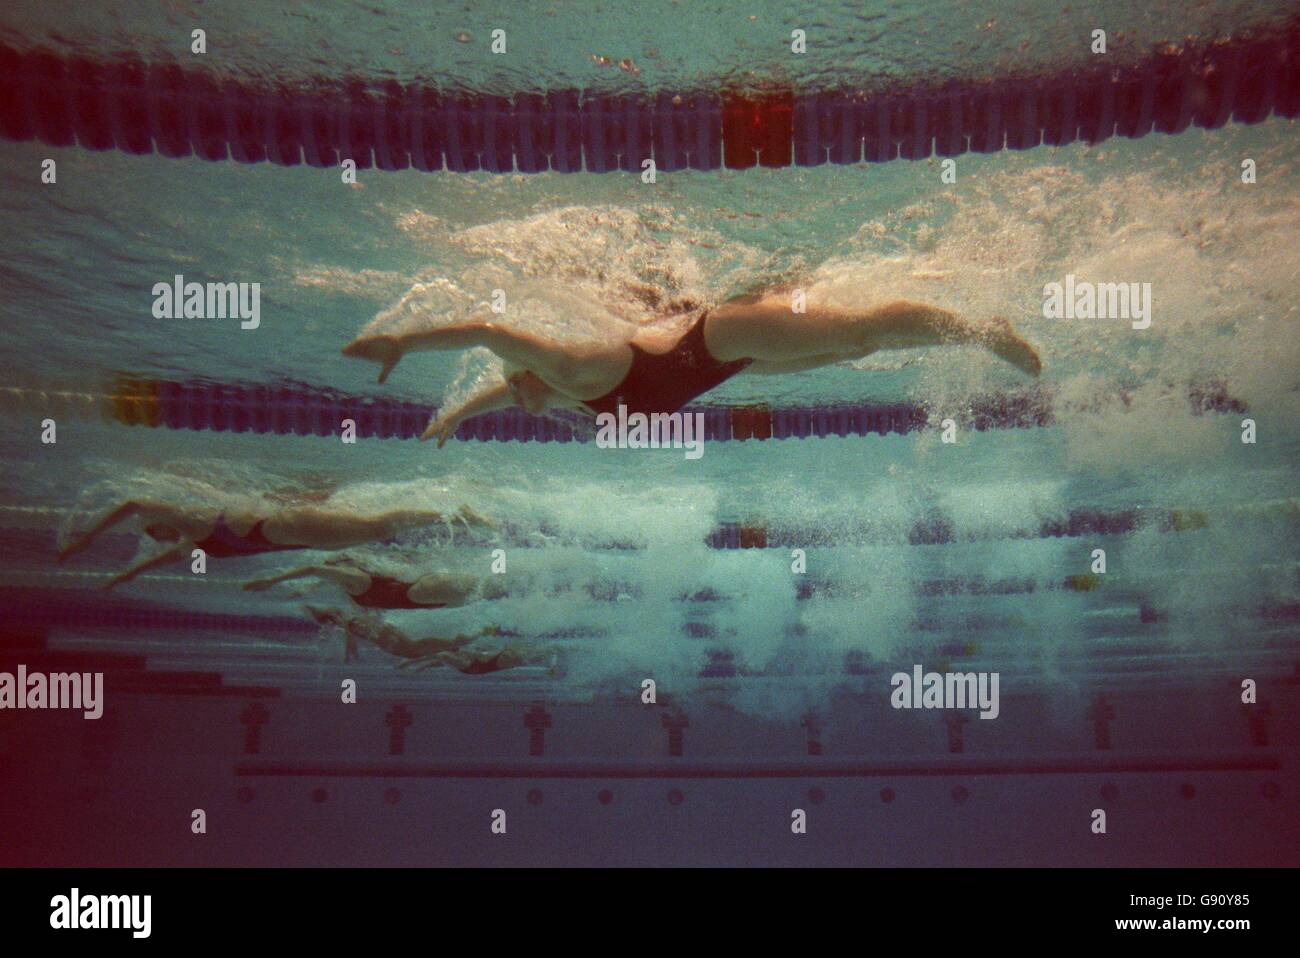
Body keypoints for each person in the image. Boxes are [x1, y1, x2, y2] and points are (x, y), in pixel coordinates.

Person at [342, 286, 1042, 445]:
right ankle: (972, 333)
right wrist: (454, 421)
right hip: (731, 365)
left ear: (535, 376)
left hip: (723, 334)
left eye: (515, 392)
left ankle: (981, 331)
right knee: (845, 347)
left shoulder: (572, 369)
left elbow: (486, 330)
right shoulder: (559, 397)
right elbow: (502, 395)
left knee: (858, 337)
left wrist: (404, 342)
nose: (513, 403)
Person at [58, 498, 495, 588]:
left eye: (155, 530)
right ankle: (454, 519)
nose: (160, 536)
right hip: (304, 536)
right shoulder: (194, 545)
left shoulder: (194, 521)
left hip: (295, 525)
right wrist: (121, 576)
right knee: (376, 534)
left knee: (376, 528)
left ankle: (457, 510)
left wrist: (87, 536)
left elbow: (134, 503)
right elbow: (149, 564)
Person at [306, 607, 543, 674]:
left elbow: (439, 658)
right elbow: (440, 658)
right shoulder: (469, 661)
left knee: (371, 628)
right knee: (372, 628)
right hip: (405, 648)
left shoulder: (464, 660)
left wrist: (410, 666)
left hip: (406, 648)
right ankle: (484, 628)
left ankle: (484, 628)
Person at [244, 556, 511, 610]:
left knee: (501, 589)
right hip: (425, 591)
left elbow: (317, 573)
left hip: (431, 600)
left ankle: (548, 585)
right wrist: (272, 580)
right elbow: (314, 569)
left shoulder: (357, 592)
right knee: (500, 583)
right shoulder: (358, 583)